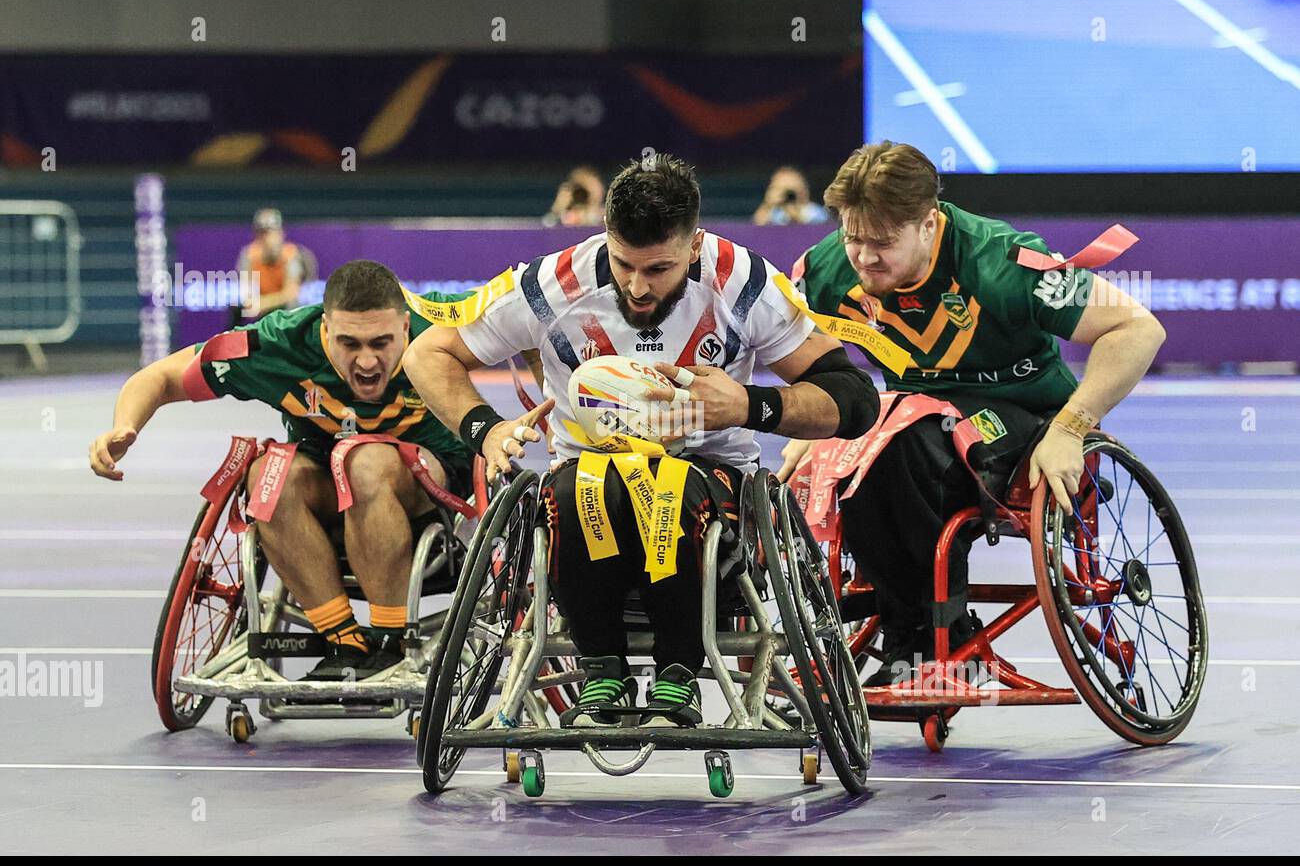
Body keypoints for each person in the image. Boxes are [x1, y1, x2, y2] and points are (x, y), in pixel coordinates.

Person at [405, 154, 878, 728]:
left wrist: (750, 405)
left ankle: (678, 674)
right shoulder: (554, 284)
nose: (637, 285)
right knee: (584, 486)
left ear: (695, 245)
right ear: (605, 237)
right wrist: (488, 429)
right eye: (624, 263)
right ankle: (602, 670)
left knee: (669, 485)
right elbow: (428, 352)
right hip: (586, 469)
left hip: (708, 473)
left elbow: (853, 397)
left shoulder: (743, 282)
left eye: (658, 269)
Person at [781, 141, 1166, 686]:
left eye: (883, 242)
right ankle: (916, 632)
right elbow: (801, 352)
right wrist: (816, 416)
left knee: (905, 440)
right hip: (904, 420)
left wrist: (1071, 428)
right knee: (849, 455)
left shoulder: (1000, 262)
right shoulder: (823, 270)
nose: (864, 257)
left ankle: (935, 634)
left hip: (1025, 420)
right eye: (853, 238)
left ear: (929, 224)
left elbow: (1137, 330)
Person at [90, 260, 475, 680]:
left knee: (364, 460)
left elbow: (530, 316)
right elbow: (162, 377)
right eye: (350, 343)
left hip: (430, 494)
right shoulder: (278, 345)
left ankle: (389, 642)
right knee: (268, 478)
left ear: (406, 327)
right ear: (325, 328)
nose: (367, 362)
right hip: (329, 491)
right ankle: (345, 642)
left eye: (381, 342)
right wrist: (125, 426)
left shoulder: (445, 318)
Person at [233, 208, 314, 326]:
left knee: (292, 308)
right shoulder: (249, 255)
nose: (267, 239)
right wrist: (253, 303)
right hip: (261, 305)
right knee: (235, 309)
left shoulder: (291, 255)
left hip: (284, 306)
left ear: (281, 233)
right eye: (262, 233)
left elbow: (289, 294)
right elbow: (247, 293)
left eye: (271, 233)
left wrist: (264, 303)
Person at [752, 166, 831, 226]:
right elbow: (757, 229)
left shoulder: (815, 211)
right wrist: (768, 204)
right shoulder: (774, 212)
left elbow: (818, 232)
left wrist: (795, 213)